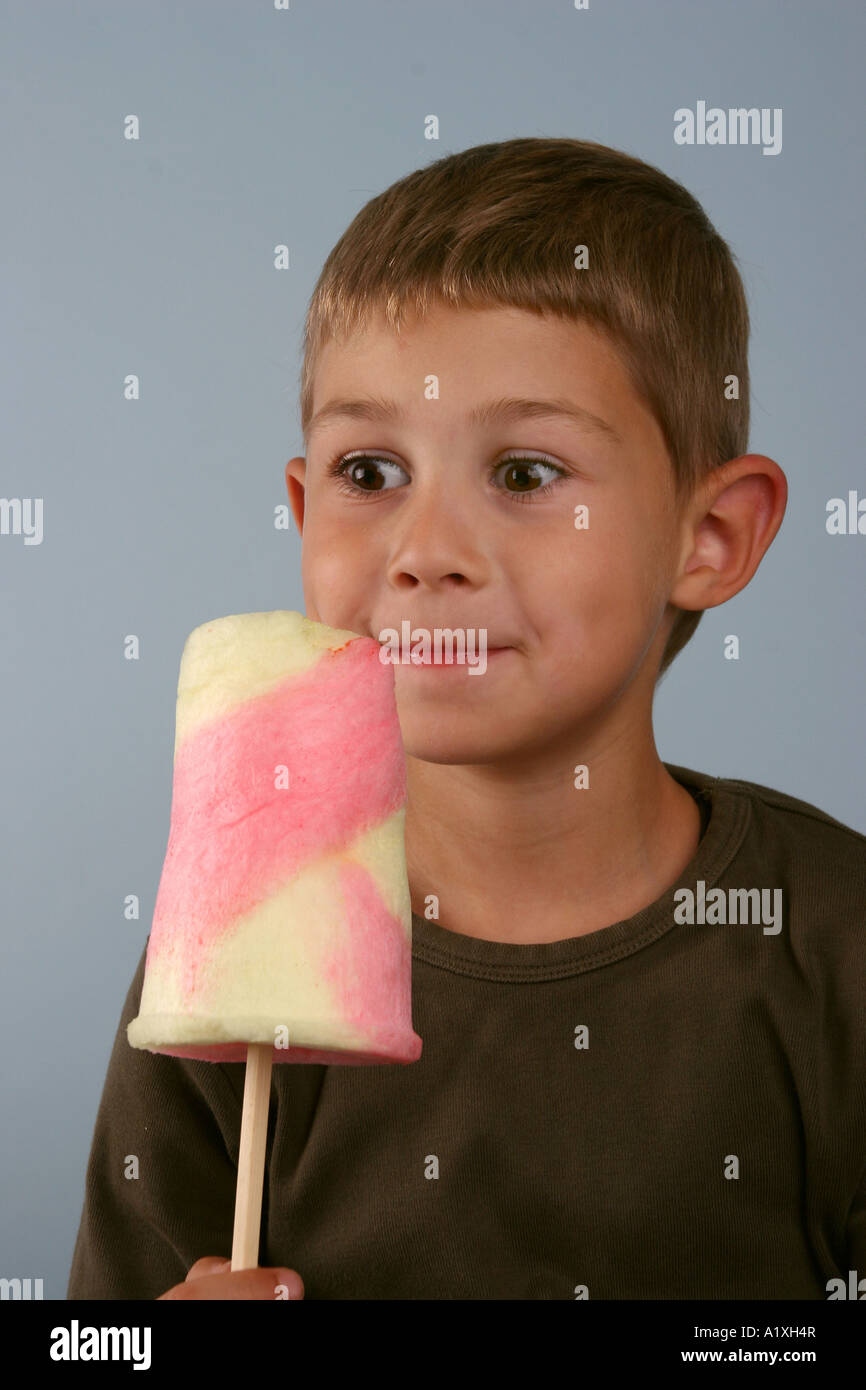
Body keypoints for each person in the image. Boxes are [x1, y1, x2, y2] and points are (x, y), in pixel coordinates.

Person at [68, 137, 866, 1300]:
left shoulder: (832, 946)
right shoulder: (233, 968)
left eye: (527, 473)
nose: (424, 553)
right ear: (300, 509)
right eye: (370, 472)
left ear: (711, 536)